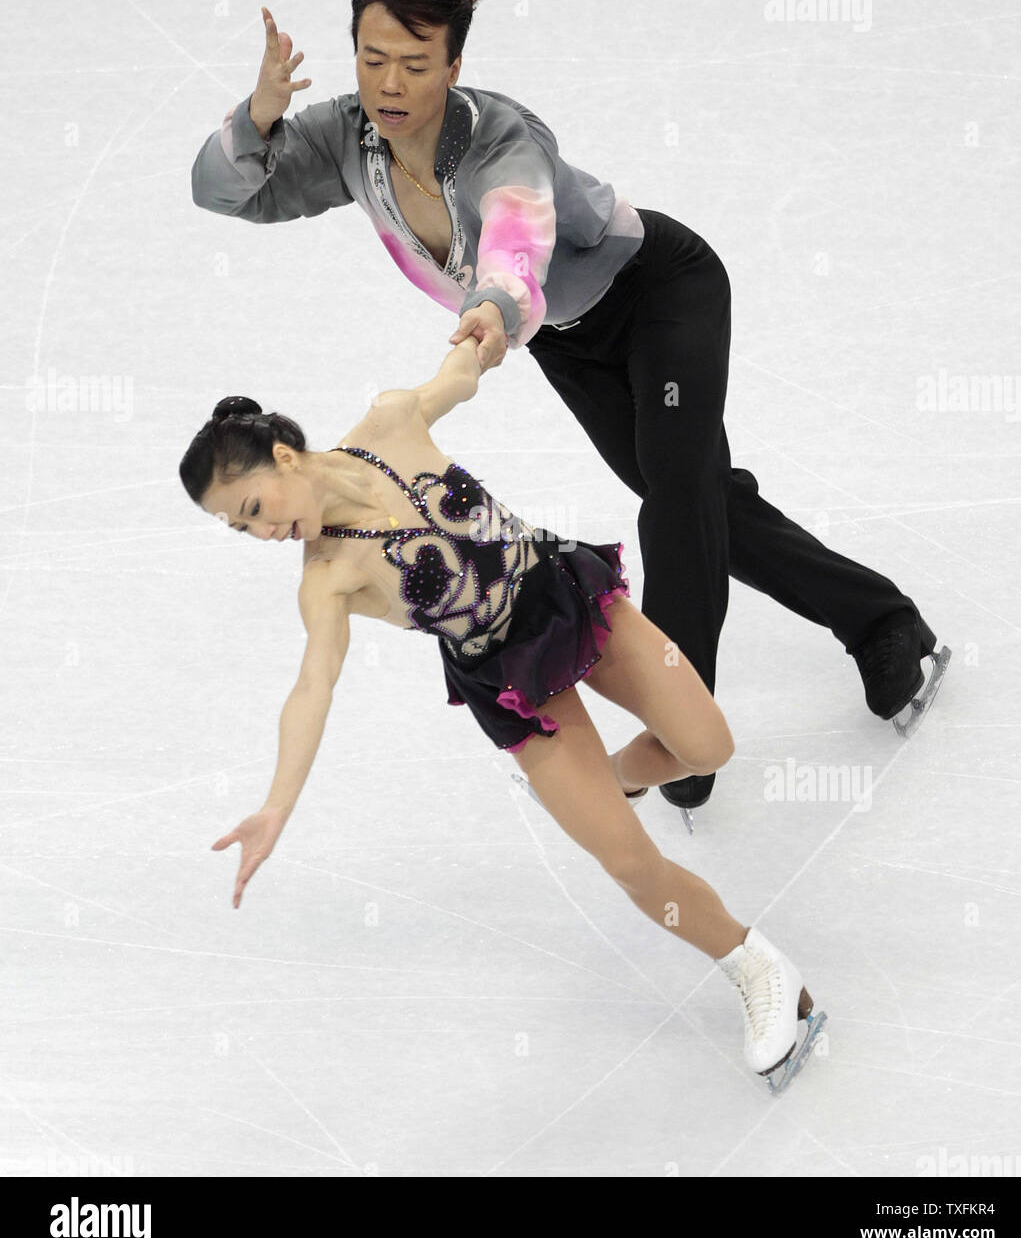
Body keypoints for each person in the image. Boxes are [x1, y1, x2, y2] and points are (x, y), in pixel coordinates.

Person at [190, 0, 948, 812]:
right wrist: (260, 114)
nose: (389, 83)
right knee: (701, 496)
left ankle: (680, 721)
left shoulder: (500, 137)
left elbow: (516, 235)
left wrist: (493, 308)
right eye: (371, 59)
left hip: (659, 292)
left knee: (674, 488)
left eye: (414, 63)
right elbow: (228, 194)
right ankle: (883, 621)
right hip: (562, 341)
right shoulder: (344, 138)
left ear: (454, 66)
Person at [179, 335, 824, 1092]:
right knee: (625, 861)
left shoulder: (388, 424)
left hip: (568, 595)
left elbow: (462, 370)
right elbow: (311, 686)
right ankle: (756, 966)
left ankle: (614, 777)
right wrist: (275, 805)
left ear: (284, 457)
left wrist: (494, 310)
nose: (259, 533)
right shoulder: (325, 579)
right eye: (239, 529)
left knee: (707, 749)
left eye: (253, 509)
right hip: (511, 677)